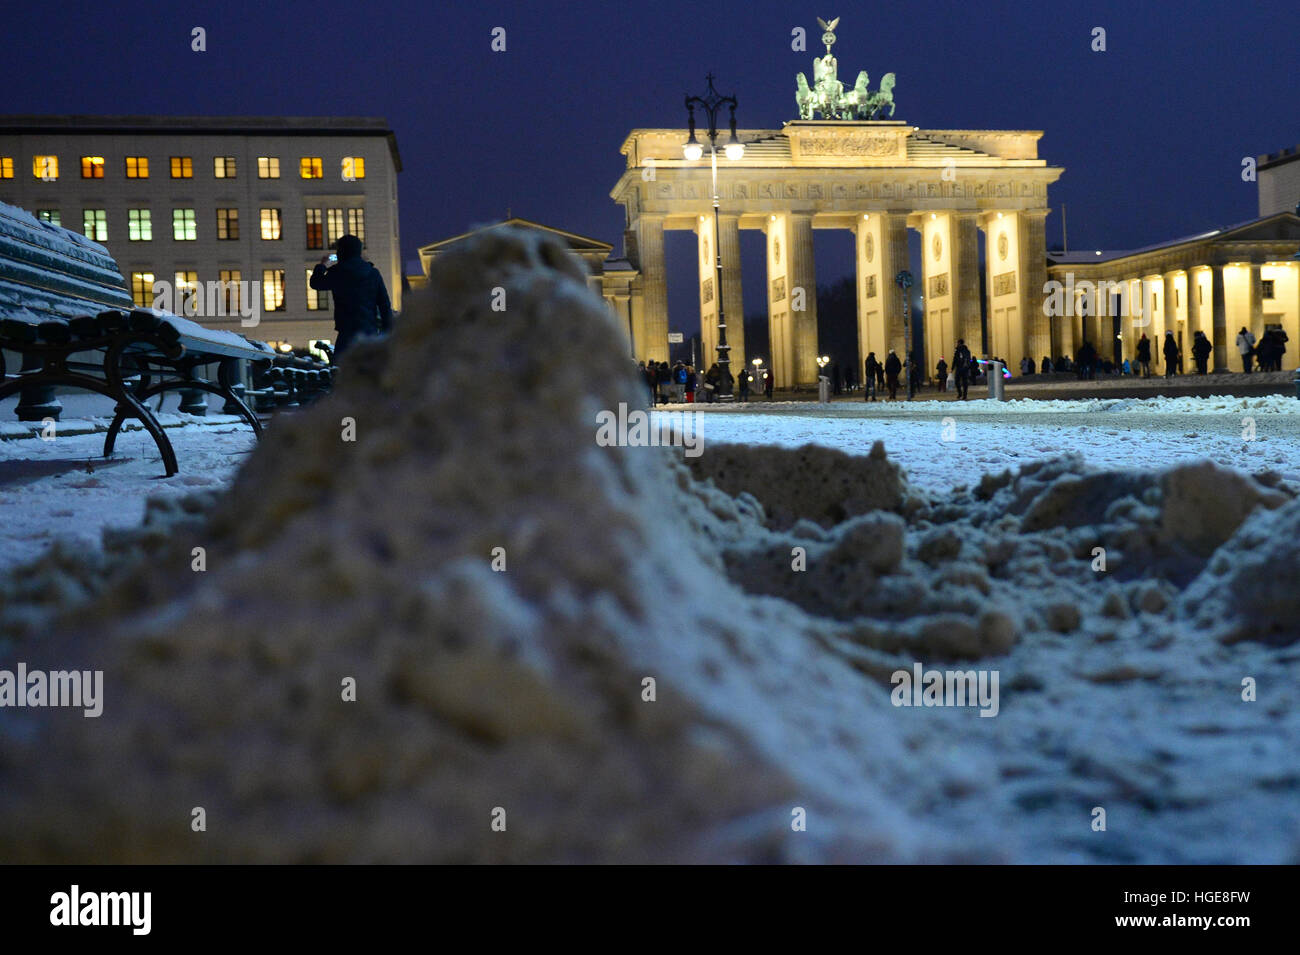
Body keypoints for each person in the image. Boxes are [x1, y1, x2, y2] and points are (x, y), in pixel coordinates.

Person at [310, 234, 392, 359]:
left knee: (342, 372)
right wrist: (386, 333)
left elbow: (316, 283)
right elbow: (384, 305)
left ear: (341, 252)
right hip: (369, 332)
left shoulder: (337, 272)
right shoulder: (372, 273)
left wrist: (323, 265)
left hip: (346, 333)